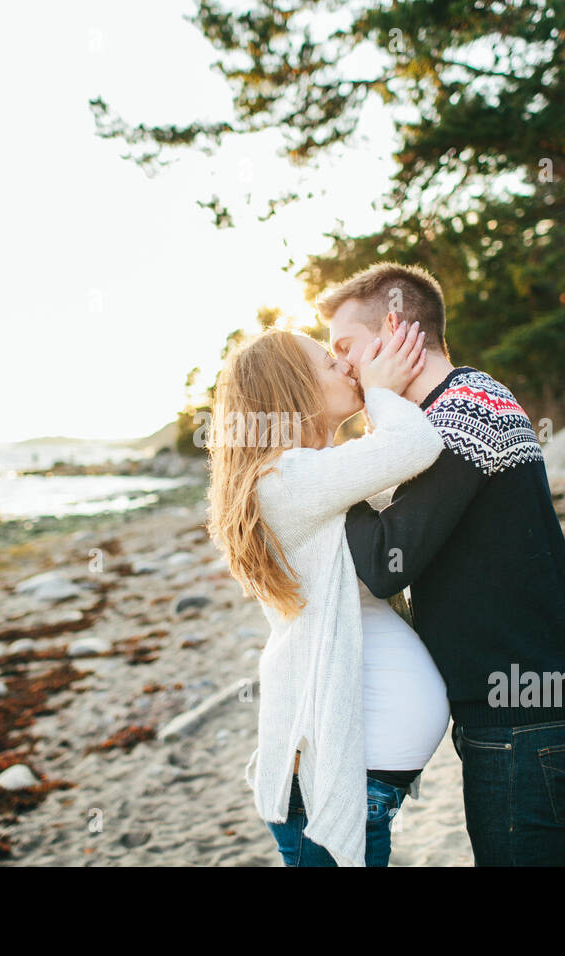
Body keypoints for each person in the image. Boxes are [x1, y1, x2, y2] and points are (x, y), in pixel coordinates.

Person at [321, 261, 565, 866]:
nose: (340, 363)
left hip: (526, 715)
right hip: (519, 707)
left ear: (395, 331)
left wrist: (320, 477)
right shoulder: (448, 412)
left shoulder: (466, 413)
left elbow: (384, 561)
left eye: (346, 347)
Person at [207, 319, 451, 867]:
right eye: (327, 360)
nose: (345, 364)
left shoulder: (307, 475)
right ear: (292, 389)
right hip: (330, 793)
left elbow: (395, 467)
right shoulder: (287, 478)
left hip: (351, 789)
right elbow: (412, 444)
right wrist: (383, 393)